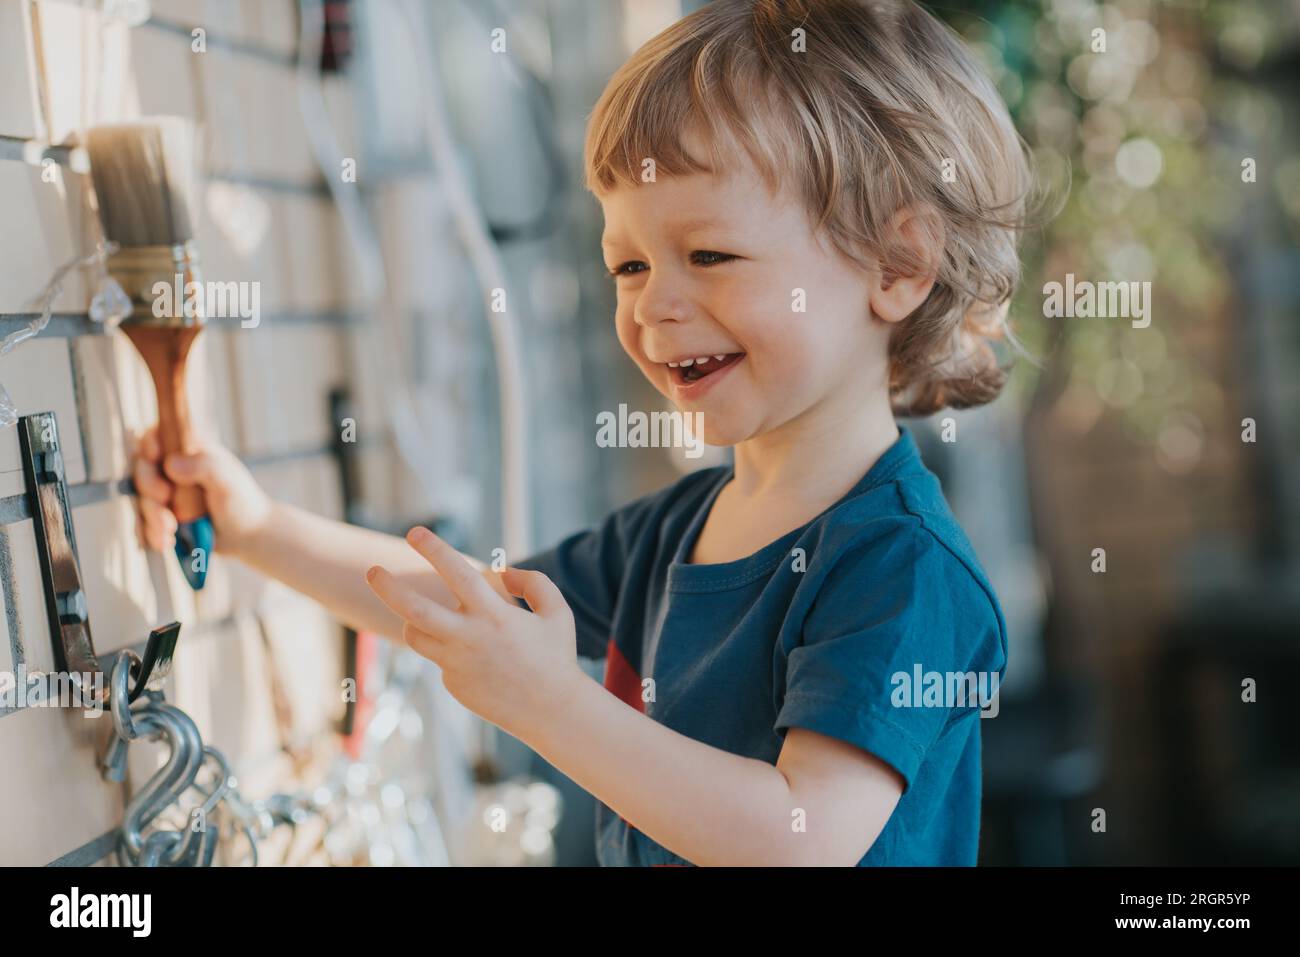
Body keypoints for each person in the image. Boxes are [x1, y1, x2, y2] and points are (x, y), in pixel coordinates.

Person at [134, 0, 1030, 866]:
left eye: (709, 255)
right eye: (628, 264)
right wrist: (254, 526)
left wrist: (550, 705)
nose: (655, 305)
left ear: (899, 264)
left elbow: (796, 840)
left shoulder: (904, 570)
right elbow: (464, 607)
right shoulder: (671, 530)